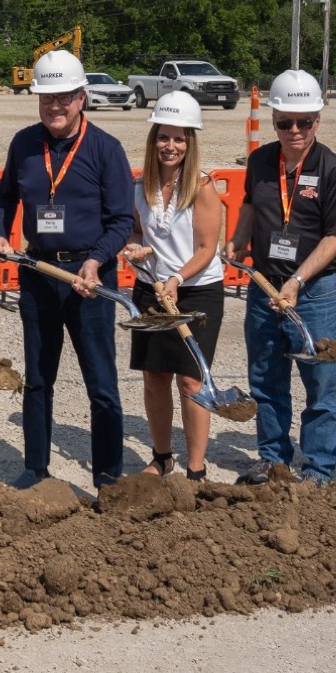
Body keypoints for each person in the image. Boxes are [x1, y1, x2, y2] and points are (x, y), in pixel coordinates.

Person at [0, 49, 135, 489]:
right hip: (37, 273)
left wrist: (95, 260)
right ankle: (35, 470)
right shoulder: (24, 144)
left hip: (88, 279)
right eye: (47, 97)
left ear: (82, 98)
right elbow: (4, 198)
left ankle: (108, 476)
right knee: (38, 378)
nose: (56, 106)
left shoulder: (105, 149)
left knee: (101, 383)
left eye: (65, 97)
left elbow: (122, 221)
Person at [227, 69, 336, 485]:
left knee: (321, 384)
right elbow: (251, 203)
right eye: (285, 122)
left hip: (316, 293)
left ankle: (317, 470)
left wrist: (297, 281)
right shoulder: (261, 161)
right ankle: (273, 460)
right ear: (274, 121)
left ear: (318, 120)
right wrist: (238, 239)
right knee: (266, 378)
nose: (295, 130)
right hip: (266, 288)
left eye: (304, 121)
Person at [119, 91, 226, 481]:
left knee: (191, 378)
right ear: (153, 140)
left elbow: (206, 247)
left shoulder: (202, 186)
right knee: (154, 376)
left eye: (179, 138)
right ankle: (162, 457)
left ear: (190, 142)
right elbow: (136, 228)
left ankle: (196, 469)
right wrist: (133, 245)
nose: (171, 146)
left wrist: (178, 279)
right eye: (164, 137)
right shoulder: (140, 185)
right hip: (151, 290)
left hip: (196, 291)